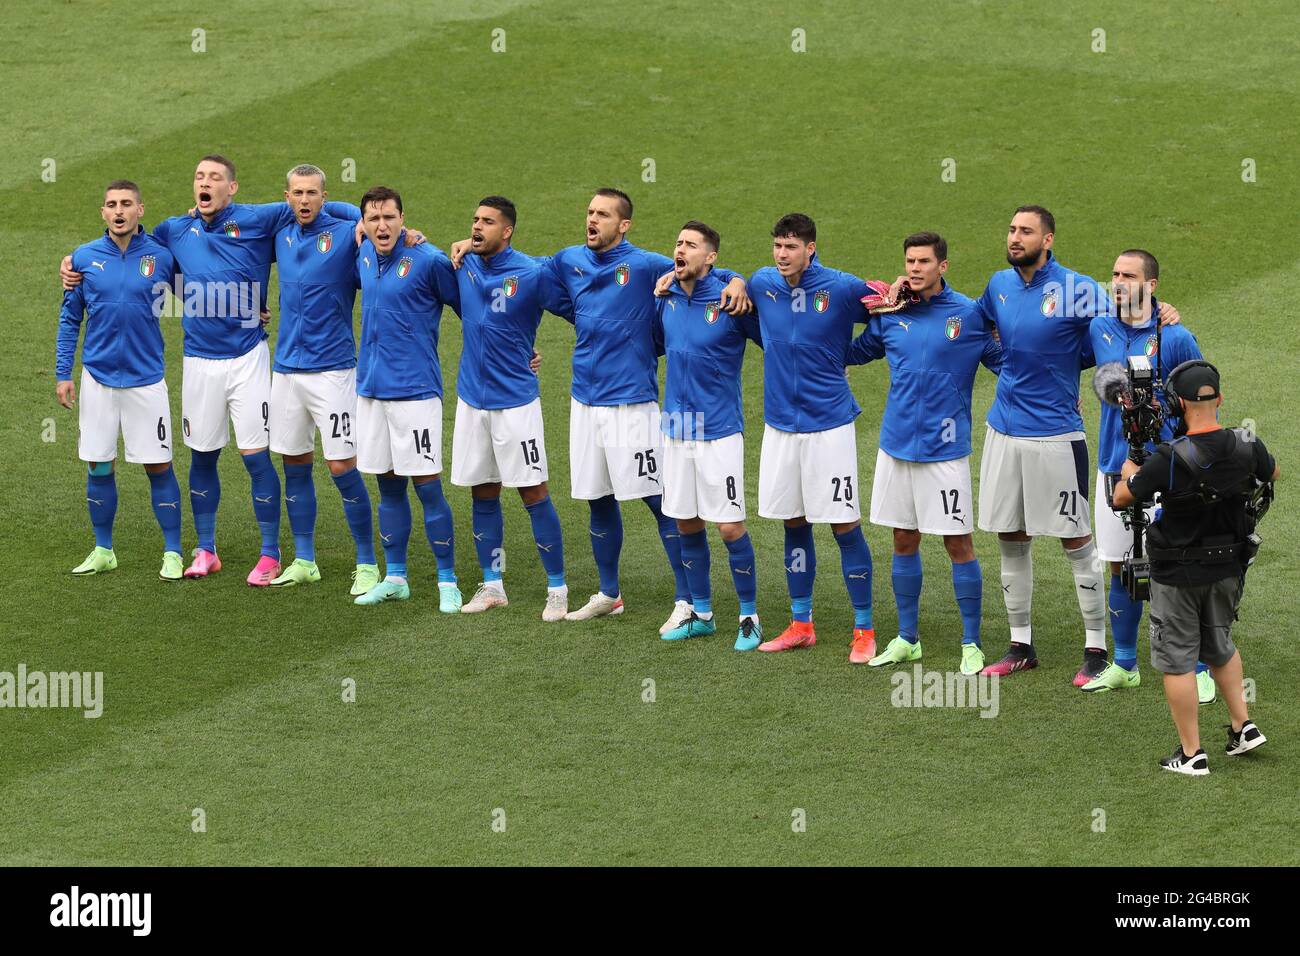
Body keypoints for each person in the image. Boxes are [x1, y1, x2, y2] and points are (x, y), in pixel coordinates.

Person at [449, 189, 750, 632]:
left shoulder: (647, 264)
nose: (592, 220)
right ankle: (610, 593)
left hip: (631, 401)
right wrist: (466, 245)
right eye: (590, 212)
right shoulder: (569, 259)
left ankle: (688, 600)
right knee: (597, 497)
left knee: (660, 500)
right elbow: (523, 272)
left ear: (623, 225)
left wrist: (736, 278)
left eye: (603, 215)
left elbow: (698, 269)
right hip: (583, 400)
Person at [60, 155, 362, 584]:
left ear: (232, 187)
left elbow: (324, 206)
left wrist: (368, 222)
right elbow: (132, 248)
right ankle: (205, 550)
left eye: (214, 177)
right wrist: (73, 263)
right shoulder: (175, 230)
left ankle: (270, 554)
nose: (205, 183)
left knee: (256, 458)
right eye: (199, 176)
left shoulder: (261, 218)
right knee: (201, 457)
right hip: (199, 361)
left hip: (248, 359)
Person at [971, 205, 1179, 684]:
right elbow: (979, 323)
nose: (1015, 237)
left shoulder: (1077, 288)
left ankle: (1095, 648)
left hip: (1055, 433)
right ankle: (1020, 644)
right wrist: (1002, 364)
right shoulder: (998, 284)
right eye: (1011, 229)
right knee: (1010, 535)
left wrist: (1163, 311)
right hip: (1002, 429)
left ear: (1048, 240)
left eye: (1026, 231)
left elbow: (1127, 317)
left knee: (1076, 539)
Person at [846, 232, 1001, 674]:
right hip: (896, 446)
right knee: (902, 538)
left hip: (946, 451)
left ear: (943, 266)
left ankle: (971, 643)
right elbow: (853, 353)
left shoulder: (969, 316)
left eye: (924, 261)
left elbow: (1005, 363)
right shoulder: (892, 316)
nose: (915, 268)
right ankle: (907, 638)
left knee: (958, 542)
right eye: (909, 261)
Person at [1113, 361, 1277, 775]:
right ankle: (1243, 725)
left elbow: (1121, 498)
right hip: (1228, 570)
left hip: (1177, 575)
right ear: (1219, 398)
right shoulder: (1246, 443)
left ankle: (1192, 753)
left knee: (1178, 661)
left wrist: (1131, 469)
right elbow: (1271, 472)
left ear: (1179, 404)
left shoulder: (1168, 458)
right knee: (1220, 643)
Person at [1080, 249, 1214, 700]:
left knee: (1177, 568)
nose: (1118, 281)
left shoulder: (1175, 336)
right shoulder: (1098, 326)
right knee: (1119, 566)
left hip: (1169, 473)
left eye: (1129, 275)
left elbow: (1205, 402)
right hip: (1114, 468)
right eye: (1114, 273)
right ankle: (1124, 664)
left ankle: (1197, 668)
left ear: (1151, 285)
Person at [747, 214, 878, 663]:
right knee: (794, 522)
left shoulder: (840, 287)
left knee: (843, 525)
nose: (782, 255)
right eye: (777, 246)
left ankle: (864, 628)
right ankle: (801, 623)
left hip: (830, 426)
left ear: (811, 248)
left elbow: (888, 310)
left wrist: (850, 354)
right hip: (780, 426)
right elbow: (727, 285)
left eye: (791, 247)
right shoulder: (762, 283)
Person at [449, 196, 572, 621]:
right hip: (471, 401)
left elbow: (580, 307)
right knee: (483, 492)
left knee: (533, 493)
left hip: (516, 404)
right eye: (475, 220)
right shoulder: (463, 264)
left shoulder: (533, 273)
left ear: (508, 231)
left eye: (488, 222)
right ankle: (494, 584)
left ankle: (557, 588)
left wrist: (526, 347)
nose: (478, 227)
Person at [55, 180, 183, 580]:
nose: (119, 211)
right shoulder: (84, 258)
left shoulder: (163, 257)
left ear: (140, 210)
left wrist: (252, 309)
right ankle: (103, 549)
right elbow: (70, 318)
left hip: (146, 380)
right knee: (98, 466)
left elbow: (200, 293)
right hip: (98, 379)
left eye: (126, 204)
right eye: (111, 205)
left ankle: (174, 552)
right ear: (103, 213)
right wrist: (63, 373)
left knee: (158, 466)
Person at [265, 164, 377, 595]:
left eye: (313, 192)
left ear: (325, 196)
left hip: (333, 371)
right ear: (287, 195)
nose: (305, 200)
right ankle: (305, 559)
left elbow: (374, 224)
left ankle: (366, 562)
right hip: (286, 371)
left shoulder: (349, 233)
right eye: (298, 193)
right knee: (294, 463)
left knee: (341, 465)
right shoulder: (281, 230)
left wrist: (402, 233)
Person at [350, 186, 462, 611]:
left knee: (427, 487)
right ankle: (395, 576)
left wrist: (519, 348)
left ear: (403, 219)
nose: (382, 226)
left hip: (415, 393)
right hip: (371, 391)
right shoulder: (361, 253)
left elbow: (471, 308)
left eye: (390, 218)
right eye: (373, 219)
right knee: (387, 487)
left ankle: (447, 582)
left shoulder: (429, 261)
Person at [654, 221, 764, 649]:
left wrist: (734, 278)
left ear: (711, 257)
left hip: (719, 429)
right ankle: (701, 612)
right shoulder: (665, 297)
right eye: (677, 242)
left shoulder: (730, 300)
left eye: (690, 245)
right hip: (677, 428)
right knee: (686, 522)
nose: (680, 250)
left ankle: (749, 616)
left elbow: (775, 341)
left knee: (730, 527)